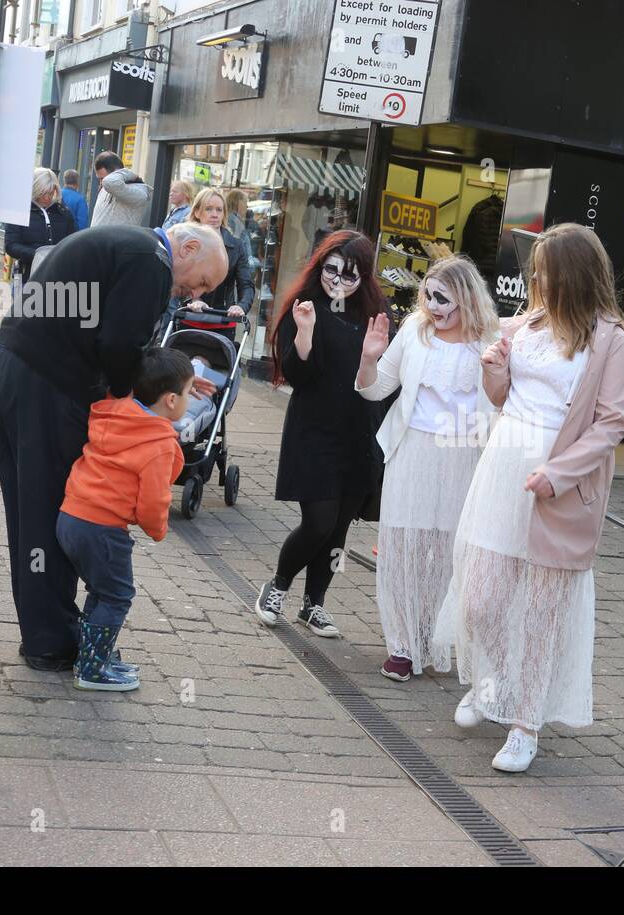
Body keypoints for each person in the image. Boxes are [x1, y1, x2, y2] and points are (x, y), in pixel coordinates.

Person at [432, 223, 624, 774]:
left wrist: (560, 473)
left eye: (544, 269)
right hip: (503, 468)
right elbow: (502, 398)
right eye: (534, 268)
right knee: (480, 597)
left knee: (544, 613)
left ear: (573, 274)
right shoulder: (525, 325)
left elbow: (613, 420)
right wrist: (494, 373)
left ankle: (525, 726)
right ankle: (493, 683)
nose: (534, 278)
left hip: (561, 484)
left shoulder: (609, 338)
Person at [0, 221, 228, 670]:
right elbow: (119, 346)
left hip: (14, 365)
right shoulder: (151, 263)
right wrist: (134, 406)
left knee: (28, 509)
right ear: (188, 247)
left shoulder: (129, 245)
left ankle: (46, 629)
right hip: (47, 382)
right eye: (203, 280)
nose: (198, 293)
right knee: (49, 511)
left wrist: (175, 385)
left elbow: (122, 344)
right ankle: (51, 640)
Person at [355, 255, 500, 682]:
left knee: (450, 551)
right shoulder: (414, 332)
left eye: (443, 299)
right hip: (412, 451)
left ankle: (429, 633)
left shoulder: (490, 339)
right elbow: (376, 388)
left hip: (464, 457)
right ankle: (400, 645)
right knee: (402, 546)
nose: (432, 307)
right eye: (427, 296)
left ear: (467, 299)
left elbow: (503, 401)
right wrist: (368, 358)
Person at [255, 230, 390, 638]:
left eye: (350, 275)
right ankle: (277, 586)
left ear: (364, 277)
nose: (338, 280)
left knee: (338, 528)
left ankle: (315, 604)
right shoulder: (306, 305)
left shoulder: (375, 312)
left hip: (359, 431)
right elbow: (296, 375)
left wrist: (375, 357)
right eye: (332, 269)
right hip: (314, 429)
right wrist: (306, 335)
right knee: (318, 521)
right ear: (320, 266)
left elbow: (388, 379)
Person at [57, 348, 189, 691]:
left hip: (71, 516)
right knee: (117, 595)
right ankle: (92, 670)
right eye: (189, 392)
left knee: (101, 591)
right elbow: (152, 501)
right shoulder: (158, 443)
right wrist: (158, 529)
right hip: (103, 529)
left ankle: (91, 656)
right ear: (172, 400)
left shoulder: (113, 416)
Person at [176, 186, 253, 340]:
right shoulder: (185, 242)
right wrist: (194, 300)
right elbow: (177, 281)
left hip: (223, 320)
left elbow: (246, 285)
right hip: (191, 318)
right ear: (197, 212)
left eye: (219, 210)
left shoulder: (236, 246)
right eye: (209, 209)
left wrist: (241, 306)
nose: (214, 215)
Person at [4, 168, 77, 283]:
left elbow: (73, 243)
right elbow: (11, 245)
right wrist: (38, 255)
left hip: (57, 278)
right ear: (34, 189)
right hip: (27, 276)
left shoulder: (64, 213)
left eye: (51, 192)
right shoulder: (20, 211)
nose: (47, 198)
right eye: (43, 193)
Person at [90, 151, 150, 228]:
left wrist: (130, 174)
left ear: (117, 173)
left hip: (118, 240)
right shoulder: (106, 188)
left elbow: (109, 182)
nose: (102, 182)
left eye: (102, 178)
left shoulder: (138, 192)